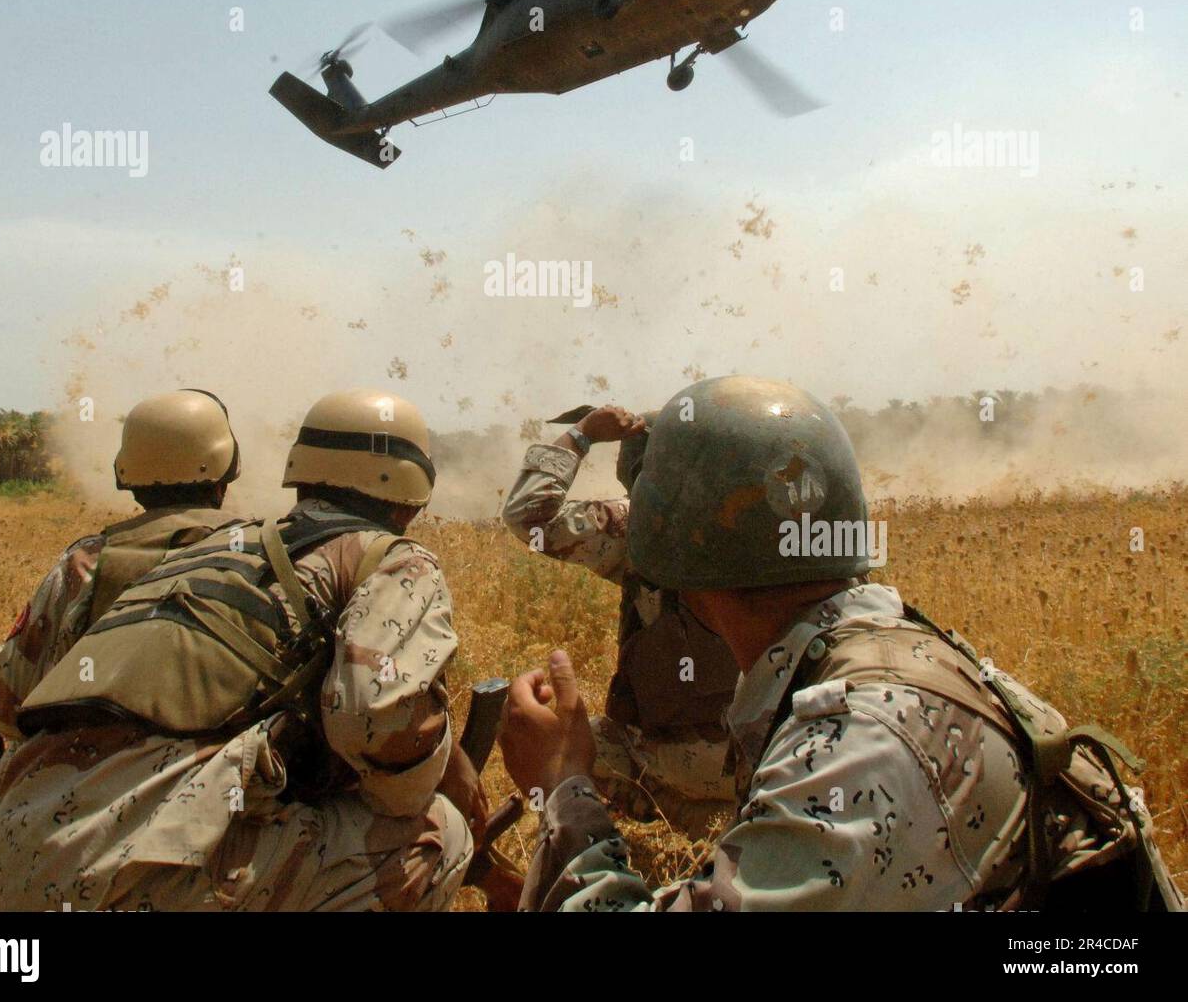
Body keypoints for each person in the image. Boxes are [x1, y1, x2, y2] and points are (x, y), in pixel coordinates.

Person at [501, 375, 1182, 912]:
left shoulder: (861, 743)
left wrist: (564, 788)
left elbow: (530, 517)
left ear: (664, 537)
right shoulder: (887, 649)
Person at [0, 388, 479, 912]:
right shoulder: (388, 560)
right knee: (440, 837)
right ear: (413, 487)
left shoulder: (201, 554)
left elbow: (11, 702)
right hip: (144, 880)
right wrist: (414, 786)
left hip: (9, 860)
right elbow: (374, 720)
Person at [502, 403, 736, 839]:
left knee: (554, 751)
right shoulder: (771, 528)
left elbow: (527, 515)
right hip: (758, 767)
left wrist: (584, 433)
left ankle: (651, 813)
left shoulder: (640, 529)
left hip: (661, 759)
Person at [0, 389, 242, 749]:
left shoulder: (88, 560)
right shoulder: (265, 553)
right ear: (225, 471)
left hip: (95, 789)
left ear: (128, 473)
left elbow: (7, 699)